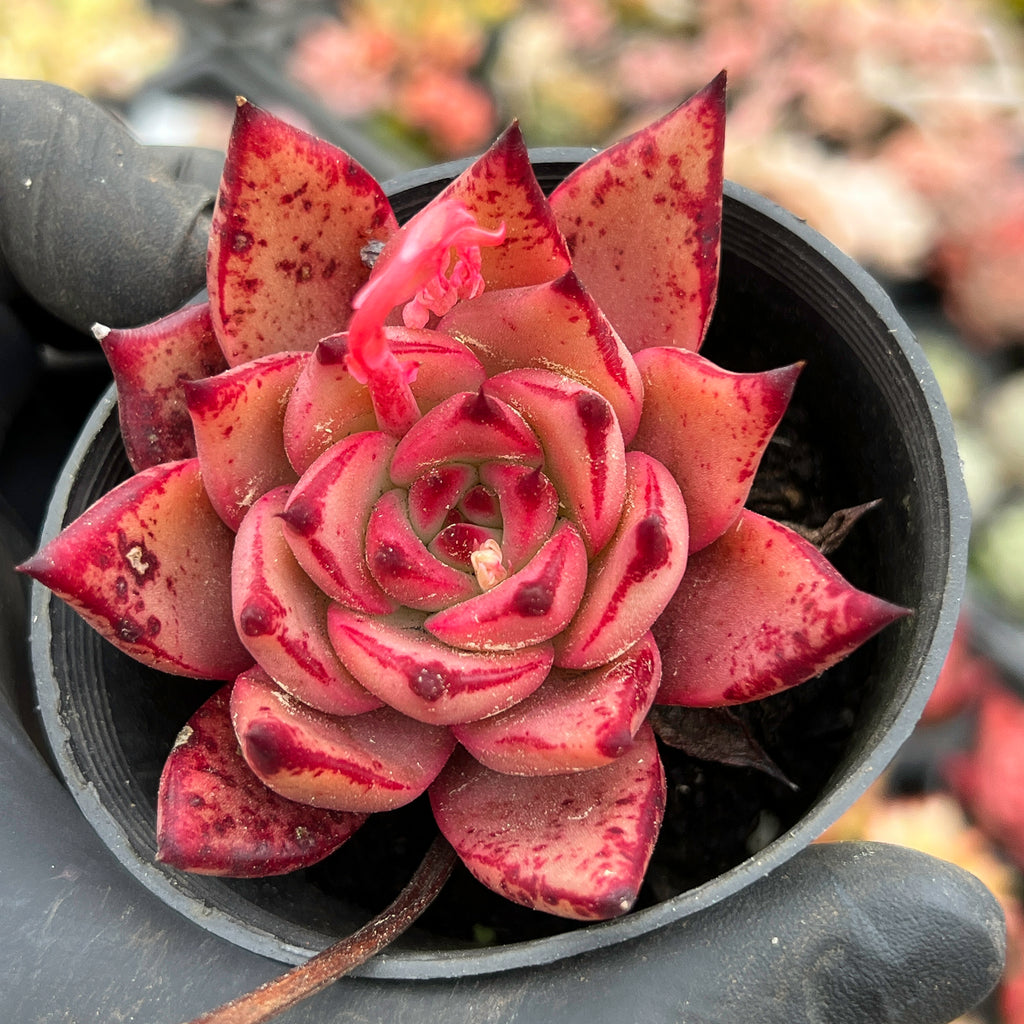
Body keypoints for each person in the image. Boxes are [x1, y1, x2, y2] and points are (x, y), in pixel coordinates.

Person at [0, 79, 1006, 1024]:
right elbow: (201, 420)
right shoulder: (287, 527)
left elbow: (739, 501)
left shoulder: (620, 461)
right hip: (375, 688)